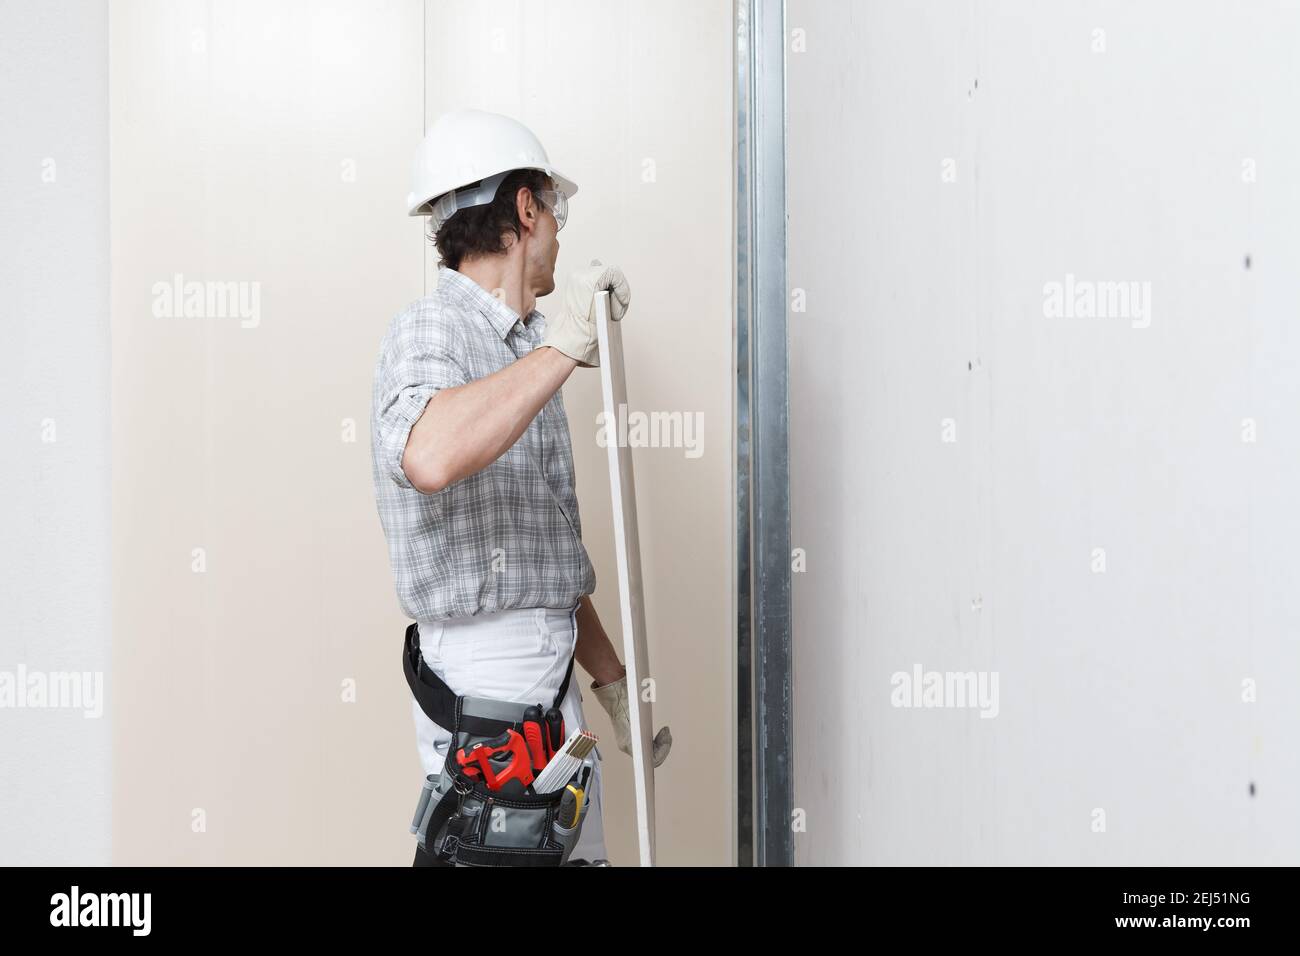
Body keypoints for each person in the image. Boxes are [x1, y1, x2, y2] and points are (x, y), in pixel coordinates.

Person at [370, 109, 670, 866]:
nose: (560, 235)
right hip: (486, 691)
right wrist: (565, 349)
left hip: (554, 702)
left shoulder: (527, 352)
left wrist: (611, 682)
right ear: (527, 208)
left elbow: (547, 561)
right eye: (554, 214)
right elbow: (428, 454)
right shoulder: (432, 330)